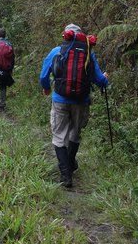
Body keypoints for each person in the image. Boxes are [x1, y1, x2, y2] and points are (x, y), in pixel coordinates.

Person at [39, 23, 109, 188]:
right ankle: (70, 167)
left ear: (65, 35)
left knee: (59, 135)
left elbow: (43, 75)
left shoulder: (56, 51)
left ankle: (65, 175)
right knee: (74, 134)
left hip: (60, 99)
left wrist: (47, 88)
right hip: (81, 101)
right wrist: (105, 79)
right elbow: (99, 79)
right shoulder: (87, 53)